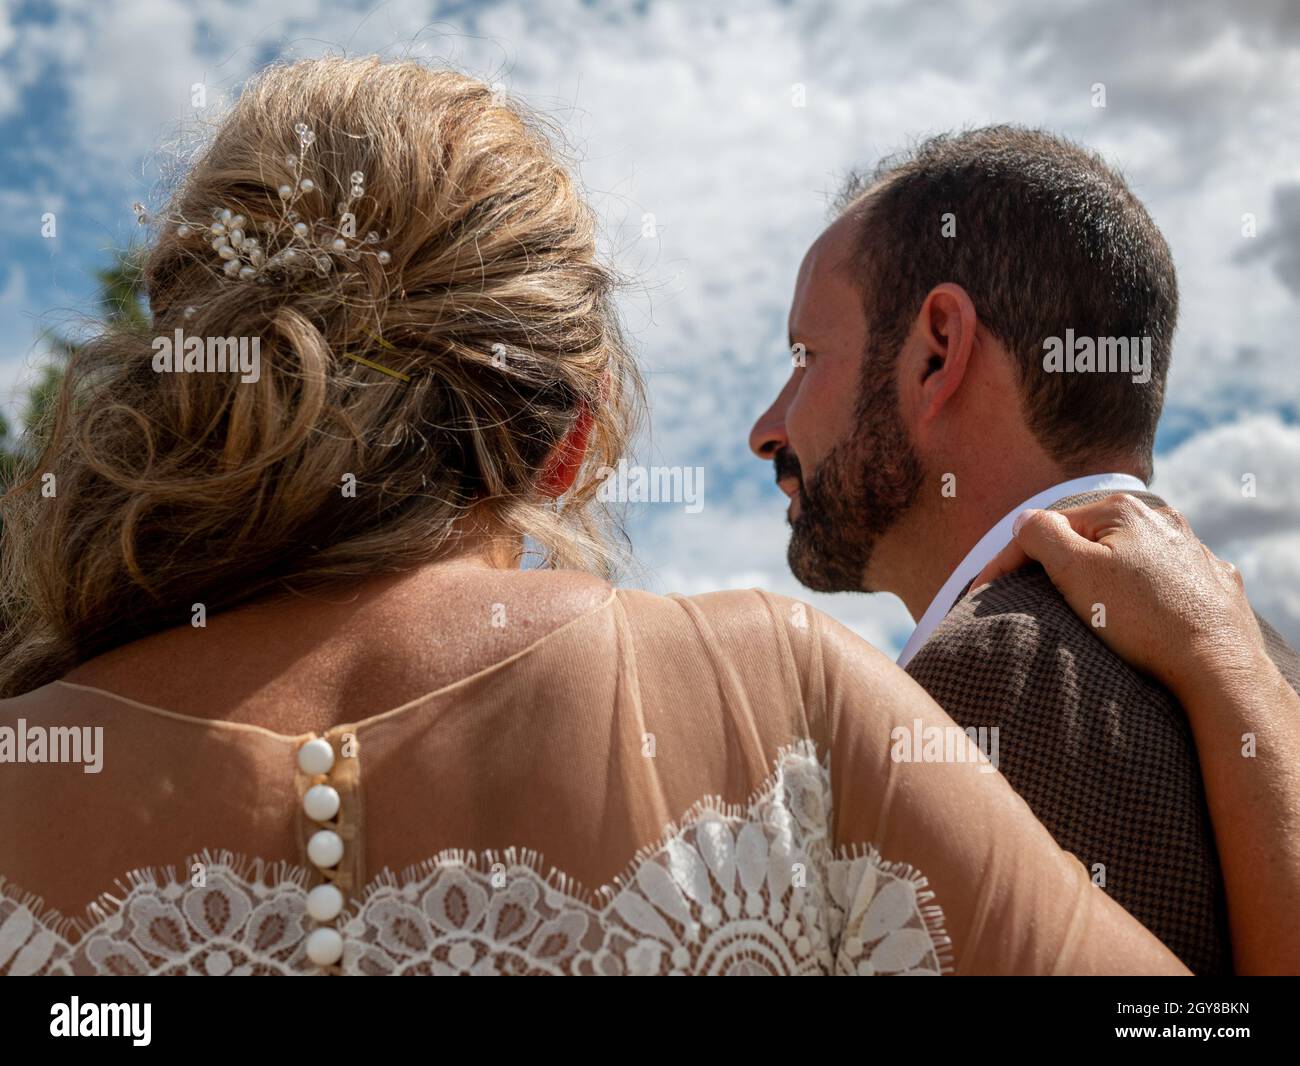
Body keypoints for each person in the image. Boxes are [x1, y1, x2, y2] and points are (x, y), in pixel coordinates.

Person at [0, 59, 1296, 976]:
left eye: (801, 355)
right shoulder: (791, 704)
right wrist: (1240, 679)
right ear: (570, 436)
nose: (764, 425)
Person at [747, 126, 1300, 974]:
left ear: (938, 352)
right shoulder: (1272, 670)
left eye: (805, 357)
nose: (767, 430)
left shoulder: (997, 672)